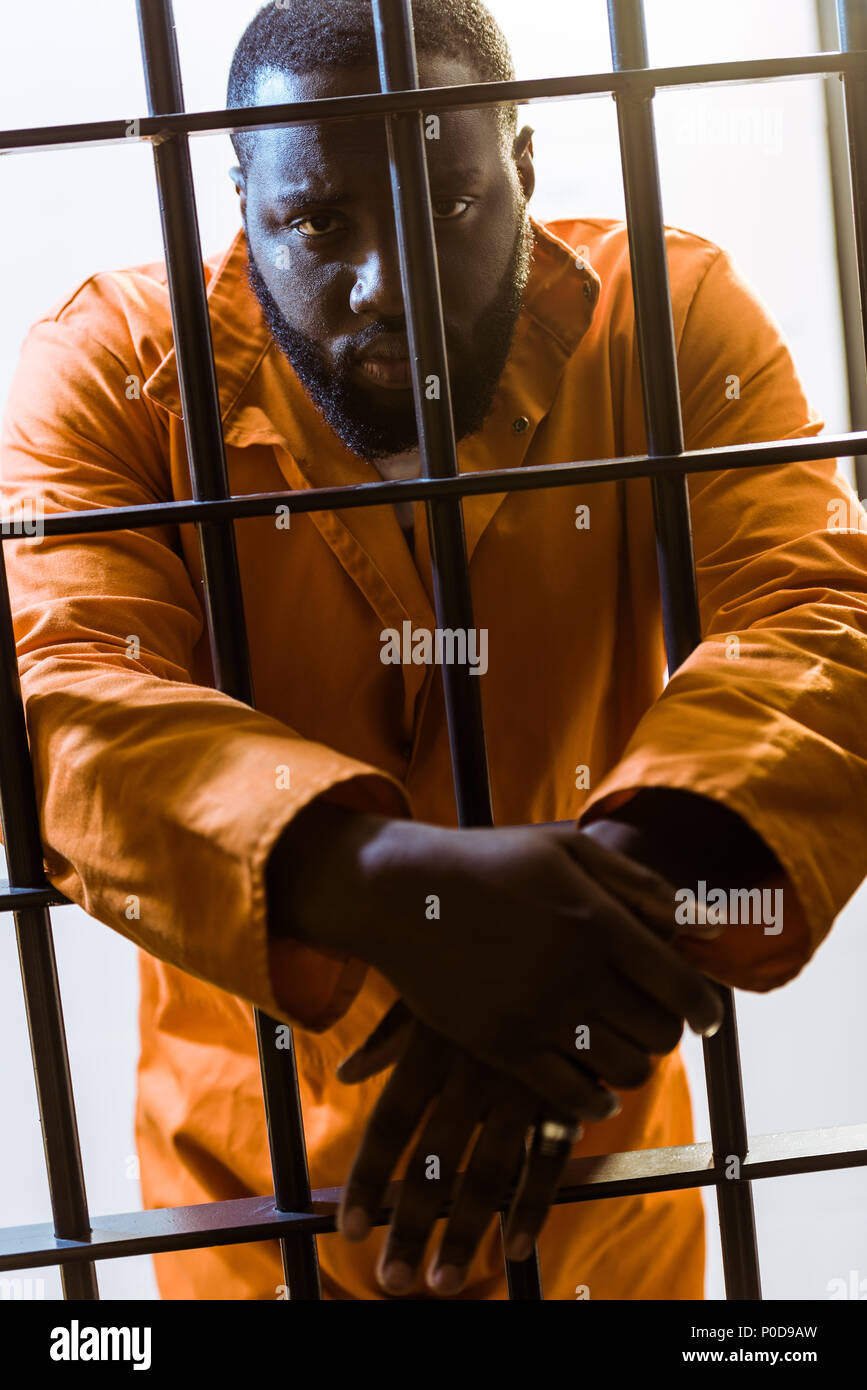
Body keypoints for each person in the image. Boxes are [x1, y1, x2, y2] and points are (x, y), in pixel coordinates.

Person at [2, 0, 866, 1301]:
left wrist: (555, 938)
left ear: (522, 166)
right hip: (252, 1212)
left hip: (602, 1189)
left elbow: (829, 623)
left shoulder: (669, 316)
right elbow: (49, 699)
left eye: (449, 203)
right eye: (320, 222)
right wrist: (415, 888)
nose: (389, 280)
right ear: (240, 201)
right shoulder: (115, 370)